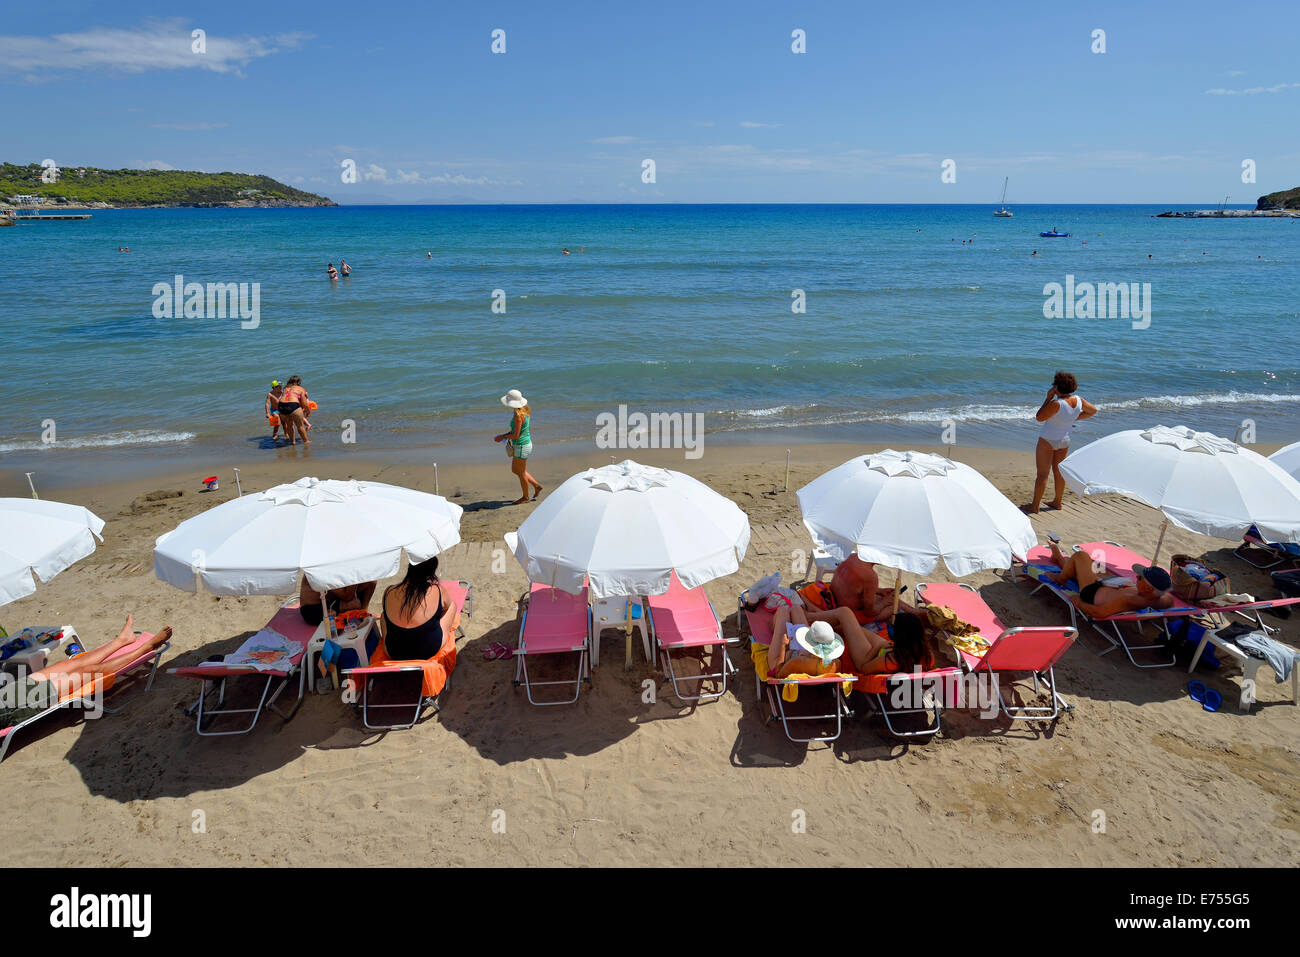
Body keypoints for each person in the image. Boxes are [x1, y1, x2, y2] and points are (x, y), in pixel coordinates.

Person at [1, 617, 173, 726]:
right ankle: (145, 648)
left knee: (68, 664)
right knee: (90, 671)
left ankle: (122, 640)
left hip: (10, 691)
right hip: (18, 705)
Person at [372, 557, 461, 699]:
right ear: (431, 572)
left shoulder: (389, 591)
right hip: (428, 649)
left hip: (394, 651)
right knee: (452, 607)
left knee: (384, 615)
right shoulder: (437, 590)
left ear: (410, 569)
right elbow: (448, 606)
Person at [1023, 371, 1097, 513]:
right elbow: (1093, 410)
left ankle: (1035, 506)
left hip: (1048, 440)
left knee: (1043, 474)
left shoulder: (1056, 404)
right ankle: (1057, 502)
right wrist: (1072, 418)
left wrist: (1048, 398)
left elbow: (1039, 417)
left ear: (1056, 387)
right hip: (1064, 440)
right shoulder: (1078, 400)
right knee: (1059, 472)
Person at [1044, 540, 1175, 618]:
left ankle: (1060, 578)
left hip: (1091, 593)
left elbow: (1099, 612)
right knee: (1082, 569)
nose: (1136, 577)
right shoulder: (1159, 599)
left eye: (1140, 577)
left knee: (1081, 556)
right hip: (1108, 586)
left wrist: (1078, 602)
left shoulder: (1130, 599)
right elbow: (1169, 601)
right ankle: (1060, 560)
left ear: (1148, 587)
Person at [798, 554, 914, 625]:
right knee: (893, 606)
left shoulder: (853, 557)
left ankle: (918, 613)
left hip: (828, 595)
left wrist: (878, 591)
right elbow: (870, 613)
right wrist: (884, 602)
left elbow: (853, 586)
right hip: (836, 609)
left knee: (887, 598)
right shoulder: (870, 576)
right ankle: (919, 614)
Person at [494, 389, 543, 504]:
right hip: (524, 444)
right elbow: (517, 431)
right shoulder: (525, 409)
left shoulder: (518, 415)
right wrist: (506, 435)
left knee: (520, 472)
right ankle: (536, 486)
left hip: (521, 446)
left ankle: (525, 497)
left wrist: (502, 437)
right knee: (518, 470)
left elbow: (516, 435)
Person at [298, 579, 377, 626]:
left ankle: (363, 612)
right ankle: (357, 614)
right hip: (312, 610)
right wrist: (355, 575)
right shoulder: (321, 568)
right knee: (353, 604)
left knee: (371, 582)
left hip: (329, 599)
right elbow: (347, 596)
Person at [278, 375, 311, 447]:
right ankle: (306, 441)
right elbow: (305, 404)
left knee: (289, 425)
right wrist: (308, 412)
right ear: (299, 382)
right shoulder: (301, 389)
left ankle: (293, 442)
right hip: (292, 405)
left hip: (281, 406)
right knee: (300, 426)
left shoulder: (285, 388)